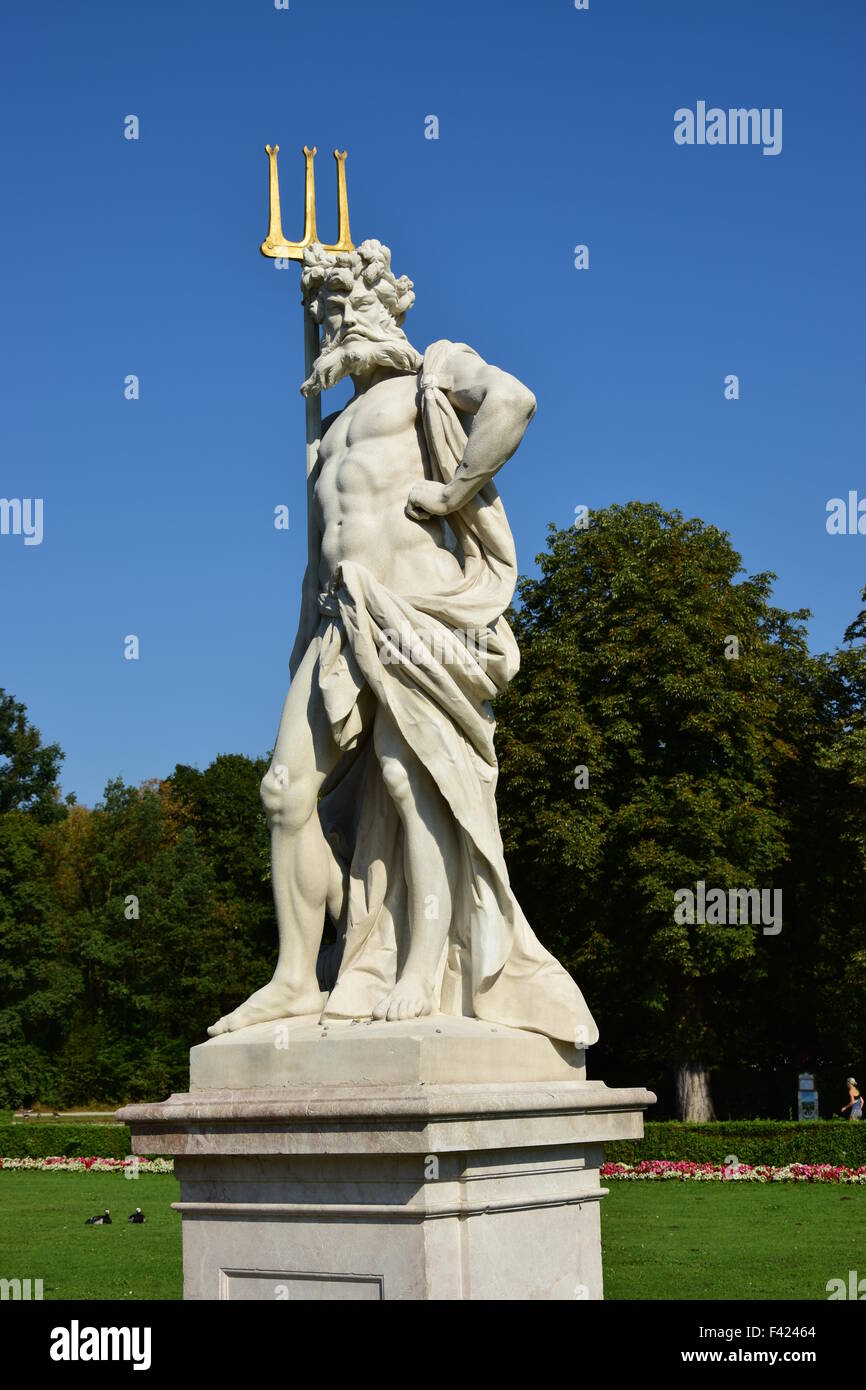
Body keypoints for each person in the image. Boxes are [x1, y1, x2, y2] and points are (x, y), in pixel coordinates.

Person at [208, 239, 597, 1046]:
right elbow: (314, 555)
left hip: (415, 615)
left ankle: (423, 967)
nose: (334, 325)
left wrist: (452, 492)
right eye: (324, 315)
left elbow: (515, 401)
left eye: (348, 308)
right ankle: (292, 980)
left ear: (389, 310)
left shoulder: (436, 371)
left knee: (410, 780)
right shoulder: (330, 434)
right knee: (284, 791)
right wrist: (301, 649)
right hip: (336, 625)